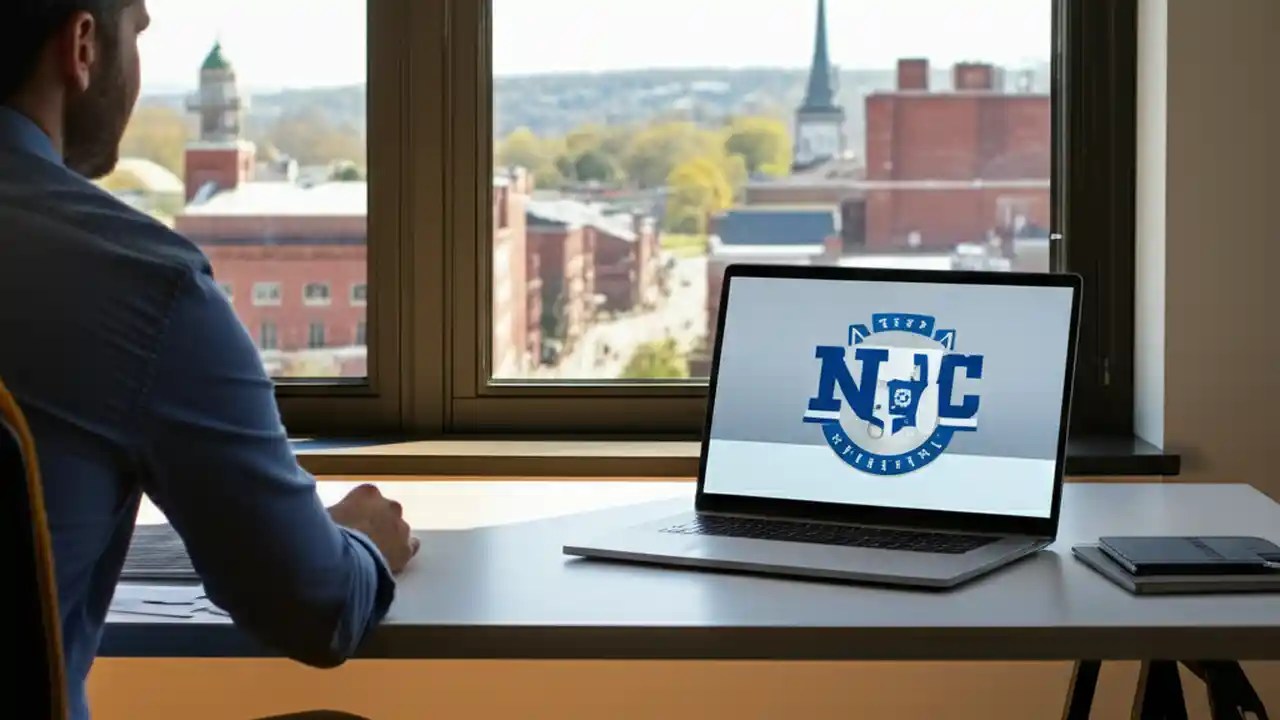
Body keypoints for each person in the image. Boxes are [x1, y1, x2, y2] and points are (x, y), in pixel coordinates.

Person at [0, 2, 418, 717]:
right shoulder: (134, 281)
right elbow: (314, 609)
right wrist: (360, 540)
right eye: (135, 30)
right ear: (82, 46)